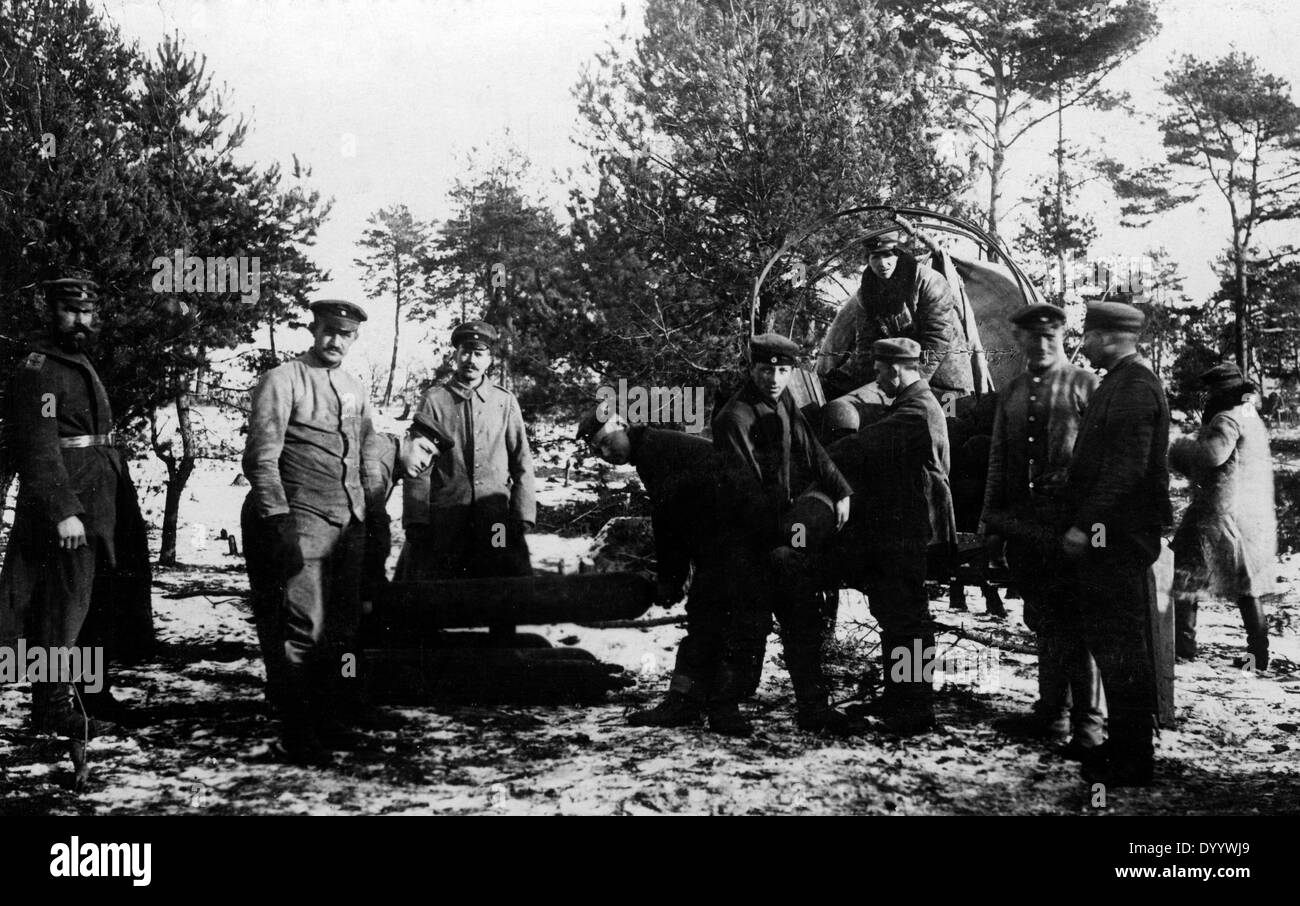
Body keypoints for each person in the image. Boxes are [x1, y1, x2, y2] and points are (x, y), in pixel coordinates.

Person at [0, 278, 153, 738]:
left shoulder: (77, 361)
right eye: (70, 311)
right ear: (49, 310)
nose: (81, 321)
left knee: (96, 602)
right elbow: (39, 445)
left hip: (101, 500)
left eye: (87, 313)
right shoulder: (40, 369)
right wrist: (63, 509)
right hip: (68, 506)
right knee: (62, 607)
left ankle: (92, 695)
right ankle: (51, 708)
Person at [241, 299, 381, 765]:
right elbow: (261, 458)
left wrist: (371, 513)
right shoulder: (283, 380)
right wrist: (278, 522)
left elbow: (365, 456)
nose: (335, 341)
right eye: (328, 331)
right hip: (301, 524)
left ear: (354, 339)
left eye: (345, 335)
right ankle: (297, 731)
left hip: (349, 526)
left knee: (344, 632)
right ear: (313, 329)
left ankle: (332, 720)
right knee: (304, 630)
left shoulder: (355, 387)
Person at [576, 411, 766, 726]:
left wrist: (670, 581)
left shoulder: (655, 452)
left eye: (606, 443)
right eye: (597, 451)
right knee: (719, 617)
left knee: (711, 615)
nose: (606, 454)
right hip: (729, 535)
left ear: (622, 423)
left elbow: (668, 524)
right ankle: (712, 703)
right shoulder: (653, 446)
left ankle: (701, 705)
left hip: (738, 533)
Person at [710, 334, 855, 736]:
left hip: (782, 537)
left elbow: (812, 447)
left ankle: (813, 708)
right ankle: (723, 709)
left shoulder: (784, 399)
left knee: (802, 622)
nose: (774, 378)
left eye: (783, 370)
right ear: (751, 368)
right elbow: (747, 493)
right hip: (747, 540)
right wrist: (782, 543)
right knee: (744, 628)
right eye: (766, 369)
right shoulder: (734, 418)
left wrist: (840, 490)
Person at [980, 304, 1104, 757]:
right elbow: (998, 460)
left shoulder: (1085, 385)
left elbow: (1103, 460)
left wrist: (1089, 521)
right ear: (1020, 341)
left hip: (1072, 527)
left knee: (1080, 624)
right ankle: (1052, 713)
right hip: (1029, 528)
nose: (1041, 345)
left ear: (1061, 338)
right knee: (1046, 621)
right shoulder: (1011, 392)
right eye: (1032, 338)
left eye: (1049, 337)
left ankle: (1089, 726)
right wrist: (992, 523)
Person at [1062, 301, 1171, 787]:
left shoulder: (1134, 387)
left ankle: (1133, 757)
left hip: (1118, 538)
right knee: (1113, 642)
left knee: (1123, 645)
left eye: (1086, 336)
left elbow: (1125, 471)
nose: (1081, 345)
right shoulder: (1121, 382)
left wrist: (1086, 524)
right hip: (1114, 536)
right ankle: (1124, 743)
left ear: (1107, 337)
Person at [832, 338, 956, 735]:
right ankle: (899, 695)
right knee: (897, 614)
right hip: (909, 523)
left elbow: (865, 446)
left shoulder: (915, 409)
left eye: (880, 370)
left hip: (915, 525)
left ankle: (915, 707)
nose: (877, 378)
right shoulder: (912, 403)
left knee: (907, 617)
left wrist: (819, 456)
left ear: (897, 370)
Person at [397, 322, 536, 616]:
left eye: (479, 352)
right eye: (464, 352)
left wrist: (523, 515)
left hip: (495, 518)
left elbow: (521, 460)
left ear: (490, 359)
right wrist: (416, 518)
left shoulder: (504, 402)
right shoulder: (435, 400)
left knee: (503, 590)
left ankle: (502, 652)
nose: (471, 360)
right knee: (432, 595)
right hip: (446, 517)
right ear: (455, 356)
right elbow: (419, 468)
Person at [1169, 362, 1277, 672]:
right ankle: (1258, 656)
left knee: (1183, 574)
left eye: (1211, 391)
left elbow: (1210, 457)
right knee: (1247, 585)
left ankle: (1183, 650)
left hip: (1217, 514)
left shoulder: (1227, 419)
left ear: (1219, 392)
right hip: (1249, 514)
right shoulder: (1250, 416)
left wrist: (1179, 449)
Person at [819, 230, 975, 435]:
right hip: (905, 376)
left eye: (888, 255)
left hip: (946, 379)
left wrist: (911, 384)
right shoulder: (867, 293)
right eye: (875, 257)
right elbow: (867, 345)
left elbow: (937, 339)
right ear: (867, 260)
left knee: (950, 430)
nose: (882, 263)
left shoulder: (929, 281)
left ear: (899, 254)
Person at [359, 412, 455, 610]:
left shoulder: (391, 456)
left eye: (432, 457)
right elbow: (372, 525)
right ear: (407, 436)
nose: (425, 462)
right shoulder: (381, 457)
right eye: (423, 449)